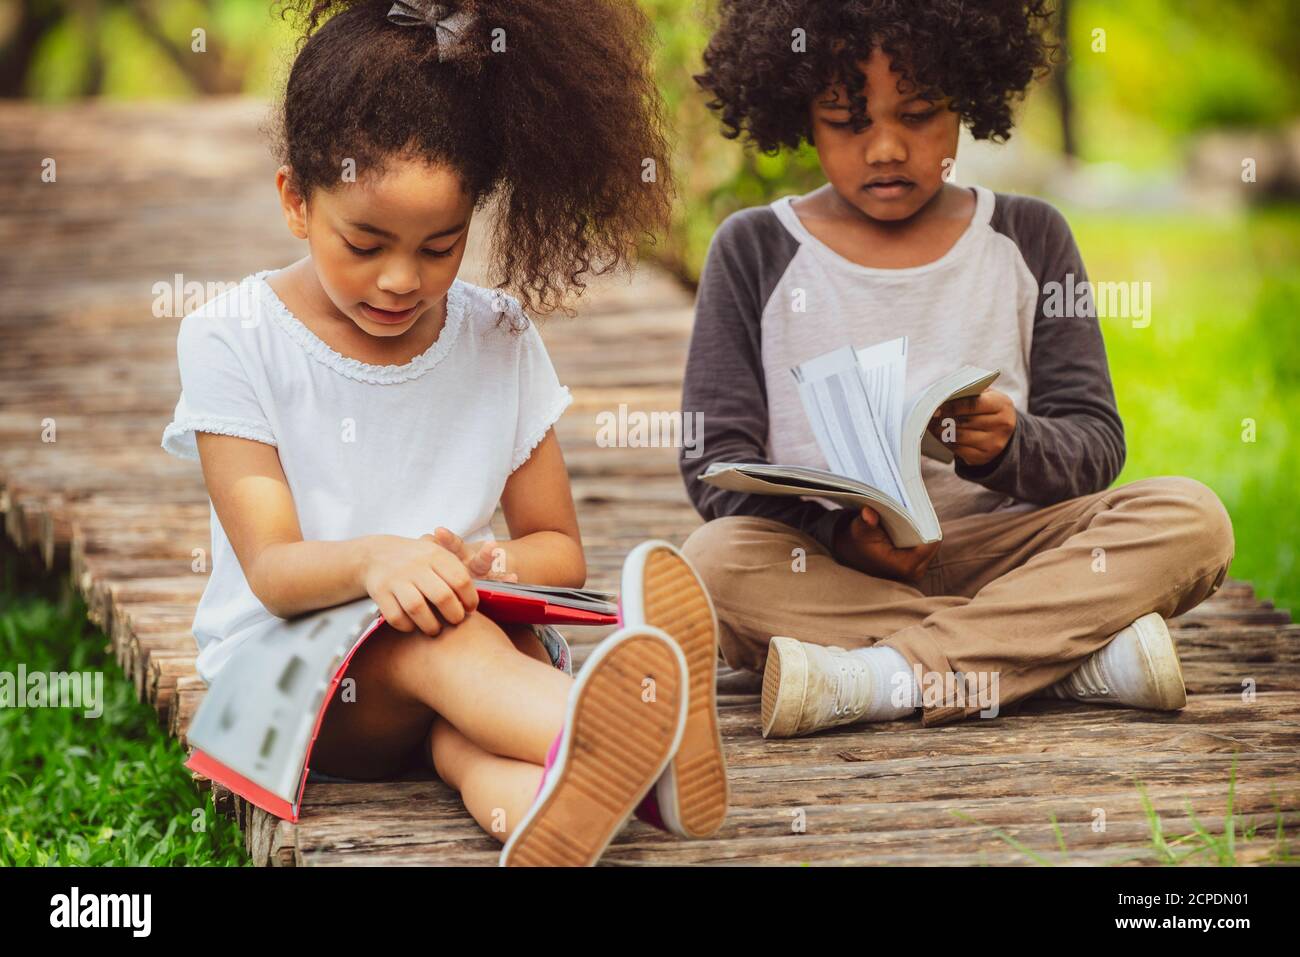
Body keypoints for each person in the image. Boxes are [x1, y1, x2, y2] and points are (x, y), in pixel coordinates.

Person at [160, 0, 726, 864]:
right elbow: (271, 571)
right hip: (288, 685)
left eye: (439, 247)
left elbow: (556, 549)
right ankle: (644, 733)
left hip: (457, 685)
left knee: (464, 738)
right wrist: (376, 560)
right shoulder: (233, 337)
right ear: (294, 200)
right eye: (366, 240)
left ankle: (561, 808)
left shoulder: (495, 335)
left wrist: (484, 565)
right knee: (440, 639)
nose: (398, 279)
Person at [678, 0, 1235, 737]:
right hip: (839, 568)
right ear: (799, 113)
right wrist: (844, 539)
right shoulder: (753, 248)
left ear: (969, 100)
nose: (885, 148)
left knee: (1193, 518)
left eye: (918, 115)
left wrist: (1010, 445)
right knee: (713, 564)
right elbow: (713, 460)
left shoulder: (1030, 235)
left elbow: (1096, 442)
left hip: (1017, 553)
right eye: (848, 121)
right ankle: (1060, 661)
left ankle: (883, 675)